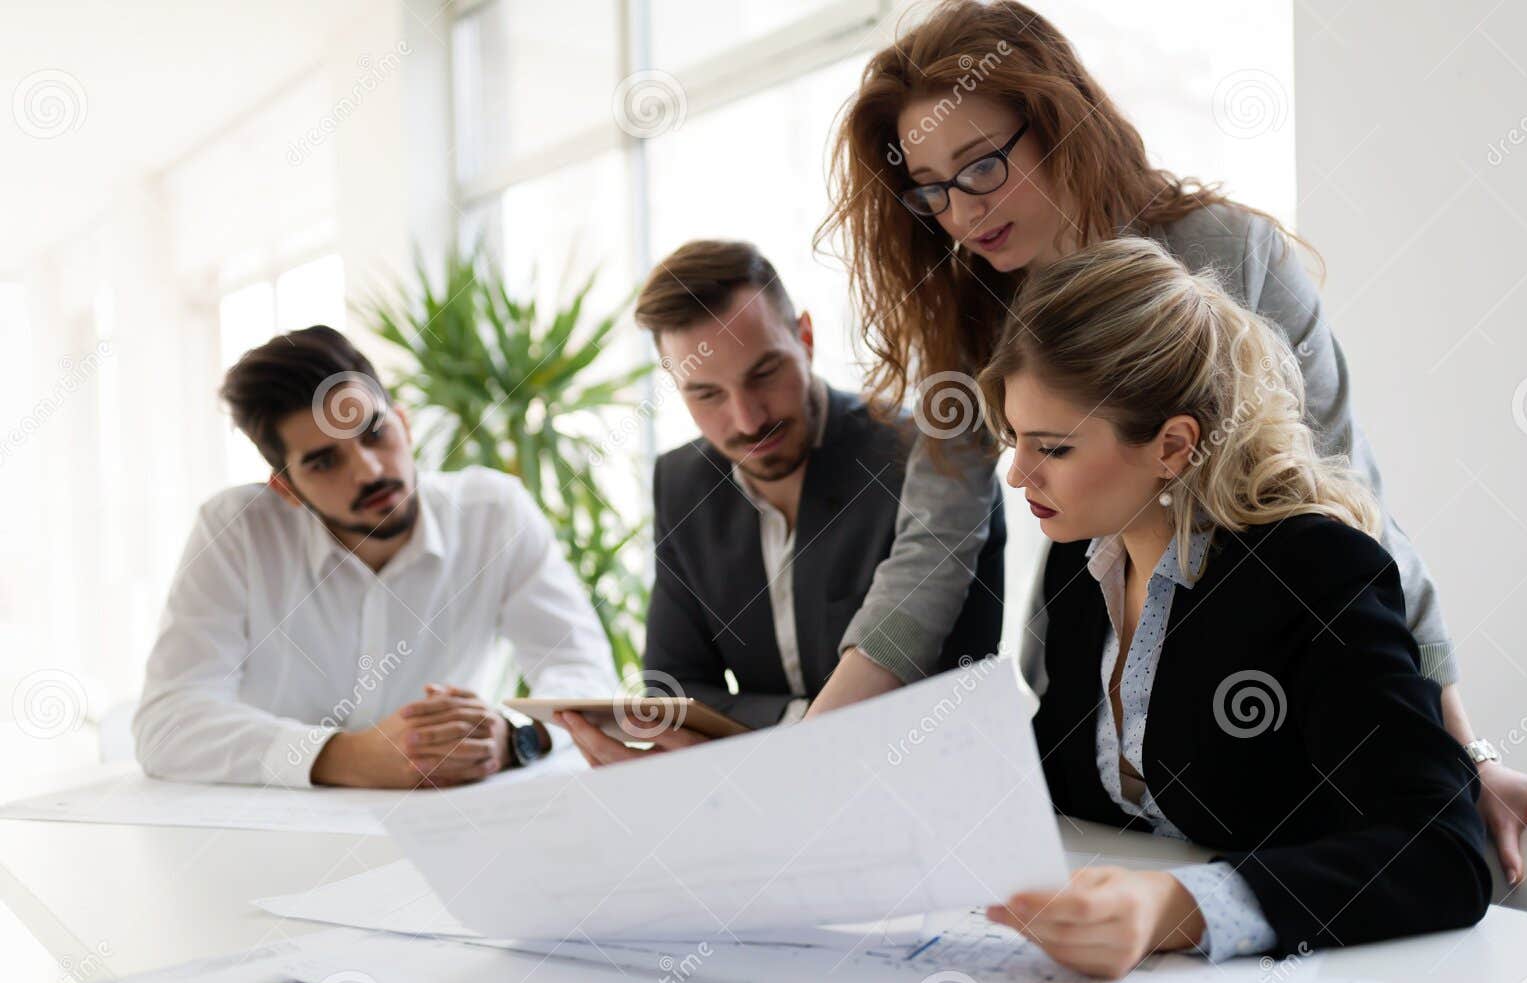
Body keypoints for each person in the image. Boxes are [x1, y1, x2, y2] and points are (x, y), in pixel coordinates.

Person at [809, 0, 1527, 884]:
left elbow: (1348, 504)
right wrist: (804, 761)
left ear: (1059, 123)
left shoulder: (1227, 254)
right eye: (932, 189)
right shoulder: (972, 300)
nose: (961, 213)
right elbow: (932, 544)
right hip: (1103, 718)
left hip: (1263, 715)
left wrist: (1458, 748)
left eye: (982, 166)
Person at [980, 237, 1490, 977]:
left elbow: (1441, 849)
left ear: (1172, 445)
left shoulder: (1315, 571)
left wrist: (1176, 907)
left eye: (1052, 448)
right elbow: (1065, 767)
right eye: (1013, 438)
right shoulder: (1082, 553)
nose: (1018, 471)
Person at [556, 240, 1005, 766]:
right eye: (706, 394)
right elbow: (674, 691)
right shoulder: (681, 481)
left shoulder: (930, 461)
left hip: (936, 780)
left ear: (806, 338)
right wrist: (797, 724)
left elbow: (938, 694)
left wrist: (739, 732)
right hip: (769, 799)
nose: (746, 420)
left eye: (764, 373)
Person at [133, 325, 615, 788]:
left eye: (374, 433)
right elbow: (167, 722)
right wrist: (344, 757)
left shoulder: (493, 514)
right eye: (324, 461)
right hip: (280, 841)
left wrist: (515, 736)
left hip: (448, 826)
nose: (368, 471)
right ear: (286, 488)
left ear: (403, 425)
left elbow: (586, 675)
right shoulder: (237, 530)